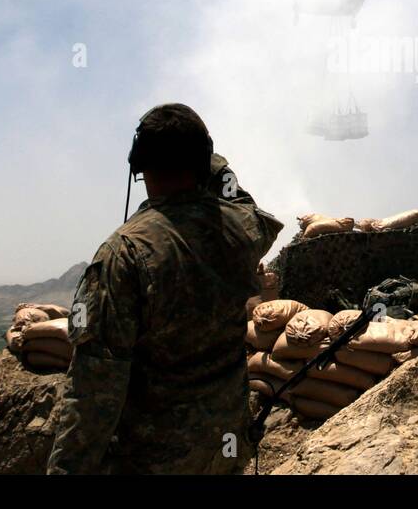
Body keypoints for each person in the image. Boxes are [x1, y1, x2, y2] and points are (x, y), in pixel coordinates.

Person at [46, 104, 283, 474]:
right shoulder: (242, 230)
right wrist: (207, 155)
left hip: (154, 460)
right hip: (224, 450)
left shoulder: (122, 254)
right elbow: (237, 195)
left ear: (139, 163)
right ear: (203, 161)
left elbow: (94, 393)